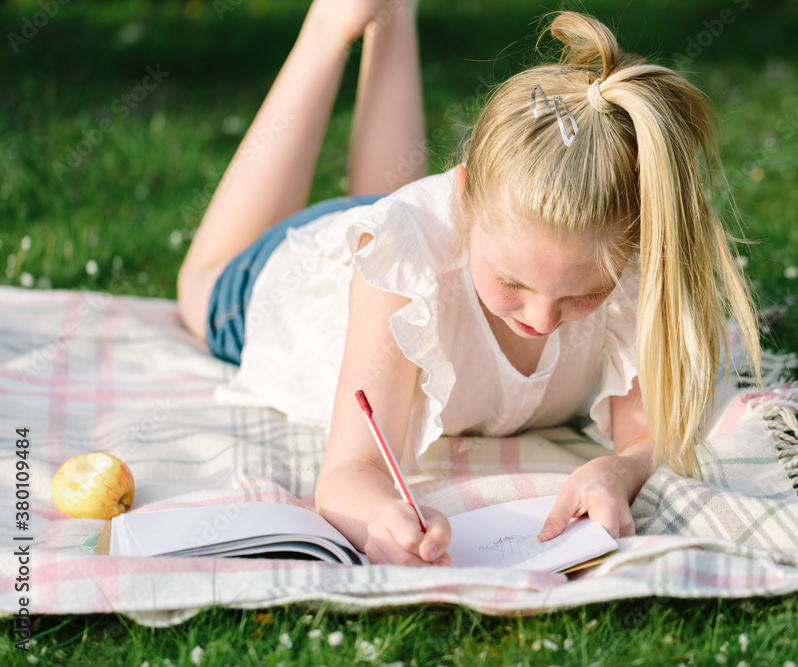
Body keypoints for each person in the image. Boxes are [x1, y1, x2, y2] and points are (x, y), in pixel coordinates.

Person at [176, 0, 761, 567]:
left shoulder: (627, 260)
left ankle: (395, 9)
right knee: (198, 286)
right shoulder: (402, 263)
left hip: (400, 218)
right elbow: (349, 472)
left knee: (388, 200)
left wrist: (619, 469)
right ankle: (331, 21)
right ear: (462, 199)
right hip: (288, 279)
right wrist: (380, 517)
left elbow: (647, 435)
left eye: (584, 296)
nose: (541, 320)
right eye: (510, 282)